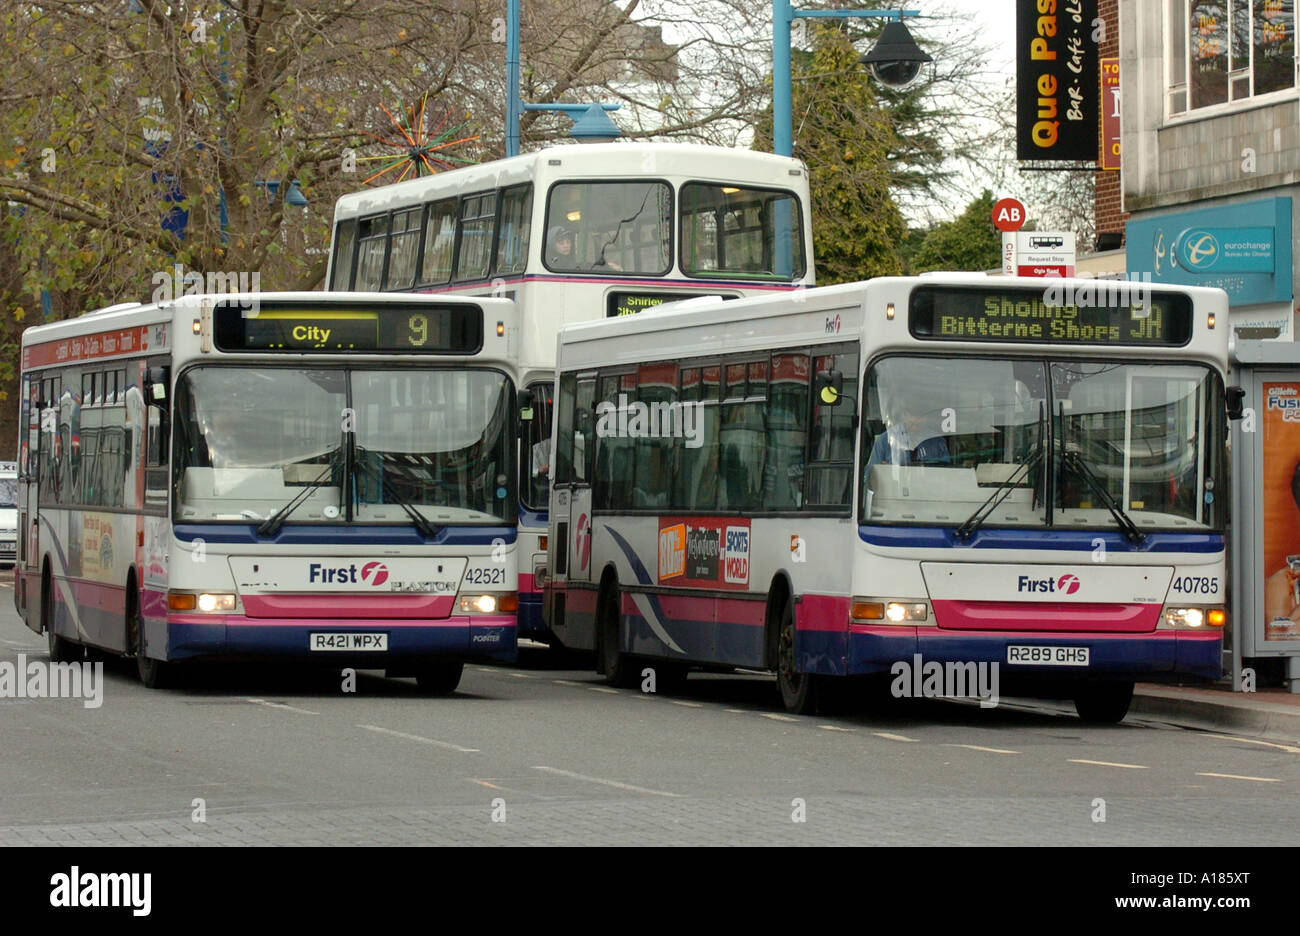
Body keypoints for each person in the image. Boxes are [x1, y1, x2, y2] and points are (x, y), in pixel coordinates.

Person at [867, 397, 951, 469]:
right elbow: (869, 476)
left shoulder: (936, 441)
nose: (916, 420)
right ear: (903, 414)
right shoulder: (885, 441)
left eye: (922, 416)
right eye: (912, 415)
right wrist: (882, 471)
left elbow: (947, 473)